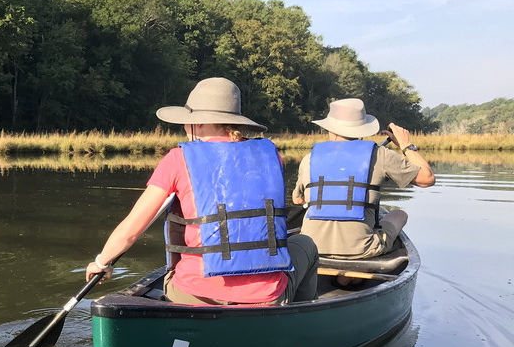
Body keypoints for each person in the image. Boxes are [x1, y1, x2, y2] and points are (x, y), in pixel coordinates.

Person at [86, 77, 319, 305]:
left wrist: (101, 263)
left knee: (176, 273)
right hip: (264, 297)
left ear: (197, 123)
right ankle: (299, 315)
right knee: (306, 243)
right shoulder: (272, 156)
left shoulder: (177, 159)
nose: (184, 128)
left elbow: (130, 231)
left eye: (186, 122)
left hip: (192, 294)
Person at [291, 98, 435, 260]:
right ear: (362, 130)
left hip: (311, 246)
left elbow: (298, 200)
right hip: (361, 249)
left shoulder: (309, 158)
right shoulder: (380, 155)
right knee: (399, 214)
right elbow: (427, 179)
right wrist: (406, 145)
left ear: (331, 129)